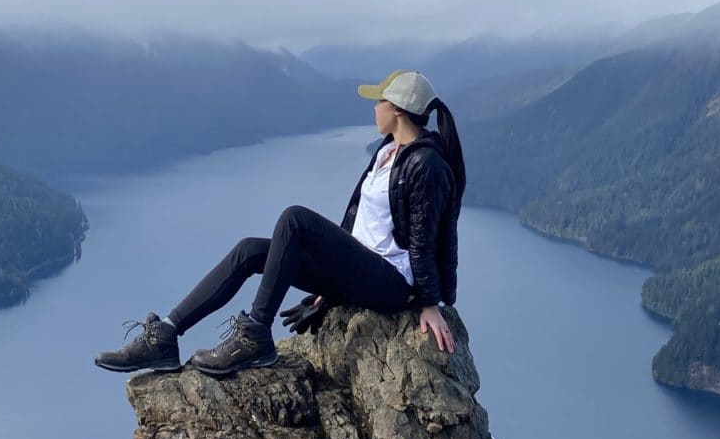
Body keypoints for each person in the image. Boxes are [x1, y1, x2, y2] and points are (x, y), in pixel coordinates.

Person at [94, 69, 466, 378]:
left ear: (398, 109)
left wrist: (430, 302)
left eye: (379, 100)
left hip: (393, 284)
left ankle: (256, 333)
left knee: (295, 219)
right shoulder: (388, 152)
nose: (374, 107)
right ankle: (166, 335)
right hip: (364, 271)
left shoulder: (427, 166)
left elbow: (426, 240)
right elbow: (358, 227)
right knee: (250, 251)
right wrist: (333, 281)